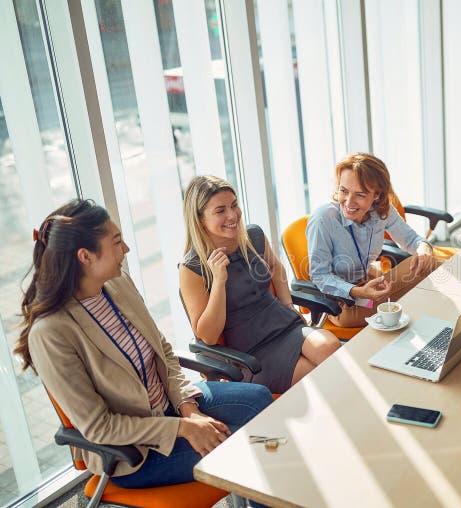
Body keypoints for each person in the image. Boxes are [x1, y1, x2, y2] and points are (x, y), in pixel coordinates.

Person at [14, 199, 271, 492]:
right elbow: (100, 428)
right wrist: (183, 428)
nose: (126, 249)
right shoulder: (51, 333)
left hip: (172, 407)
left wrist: (188, 409)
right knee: (247, 448)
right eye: (117, 242)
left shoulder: (117, 283)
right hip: (137, 451)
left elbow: (162, 349)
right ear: (85, 257)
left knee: (260, 400)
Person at [180, 175, 340, 394]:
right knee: (321, 376)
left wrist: (288, 304)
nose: (232, 215)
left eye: (234, 205)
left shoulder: (253, 236)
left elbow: (276, 268)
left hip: (286, 326)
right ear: (199, 220)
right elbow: (207, 336)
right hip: (252, 352)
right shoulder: (192, 268)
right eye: (220, 211)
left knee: (331, 349)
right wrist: (218, 281)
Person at [306, 152, 438, 327]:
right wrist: (359, 291)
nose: (349, 202)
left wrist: (424, 250)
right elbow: (320, 276)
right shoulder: (323, 219)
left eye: (360, 194)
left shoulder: (381, 211)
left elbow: (411, 239)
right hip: (341, 304)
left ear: (377, 195)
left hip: (370, 284)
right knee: (421, 297)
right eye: (343, 191)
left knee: (433, 265)